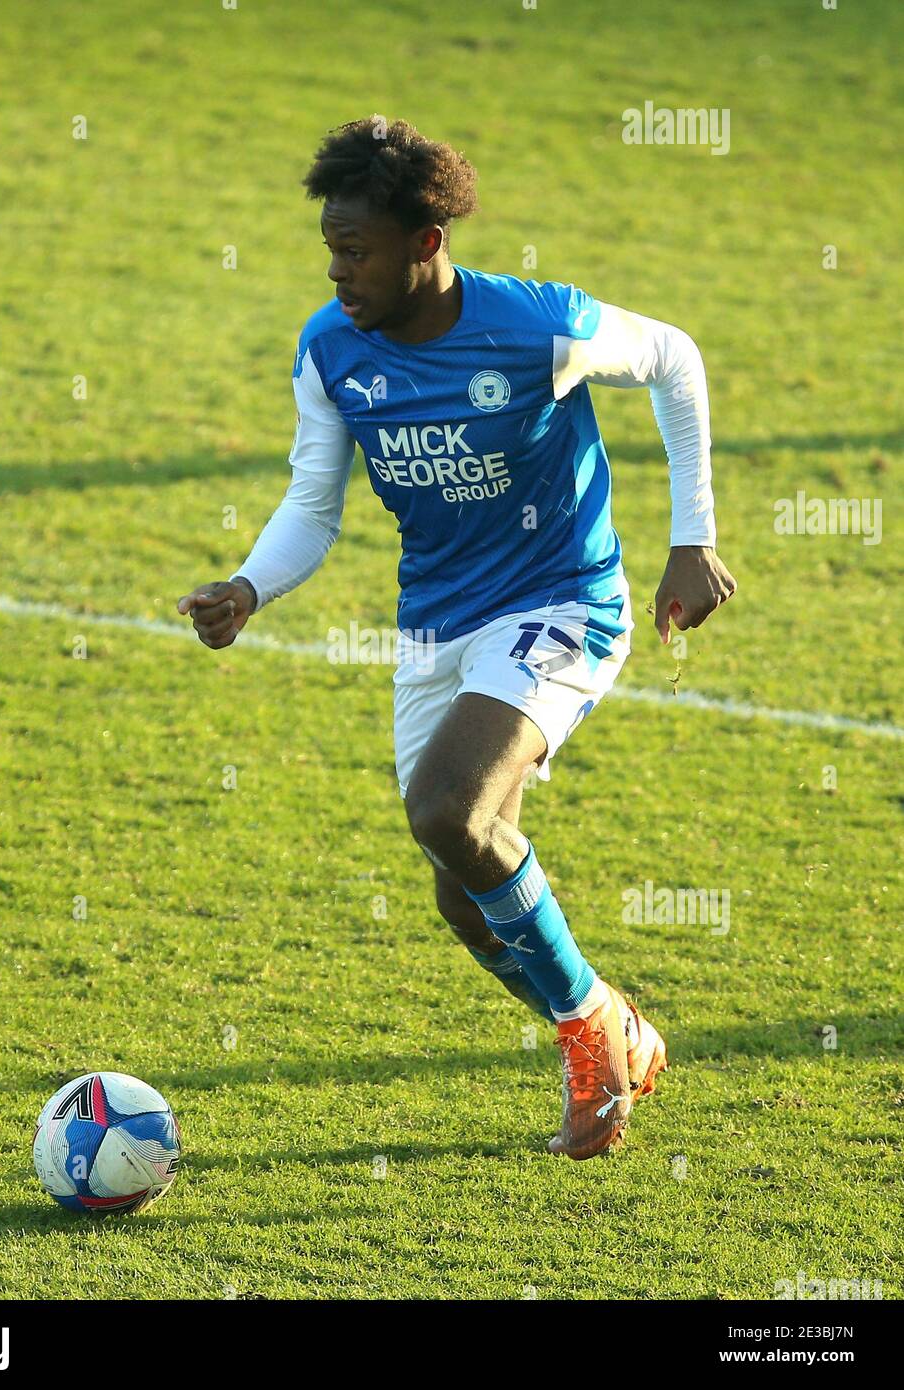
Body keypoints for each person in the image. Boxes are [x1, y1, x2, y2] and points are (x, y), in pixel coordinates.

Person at [178, 116, 736, 1160]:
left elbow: (673, 358)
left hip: (562, 599)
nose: (338, 273)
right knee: (459, 887)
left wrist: (689, 538)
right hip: (439, 618)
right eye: (330, 251)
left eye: (357, 251)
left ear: (423, 244)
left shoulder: (536, 327)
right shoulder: (331, 348)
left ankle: (586, 1044)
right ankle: (609, 1019)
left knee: (449, 805)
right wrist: (250, 586)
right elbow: (314, 500)